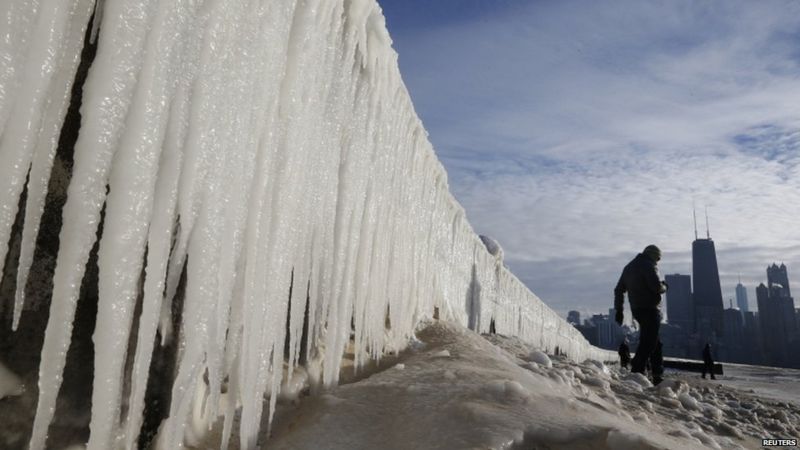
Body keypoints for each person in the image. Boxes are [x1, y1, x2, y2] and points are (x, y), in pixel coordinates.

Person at [614, 244, 667, 384]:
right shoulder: (648, 265)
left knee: (655, 341)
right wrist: (665, 286)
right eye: (658, 259)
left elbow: (618, 290)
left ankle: (657, 373)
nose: (657, 262)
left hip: (637, 310)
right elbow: (656, 287)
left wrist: (619, 310)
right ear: (653, 255)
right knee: (649, 343)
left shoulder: (628, 267)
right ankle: (638, 371)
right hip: (651, 308)